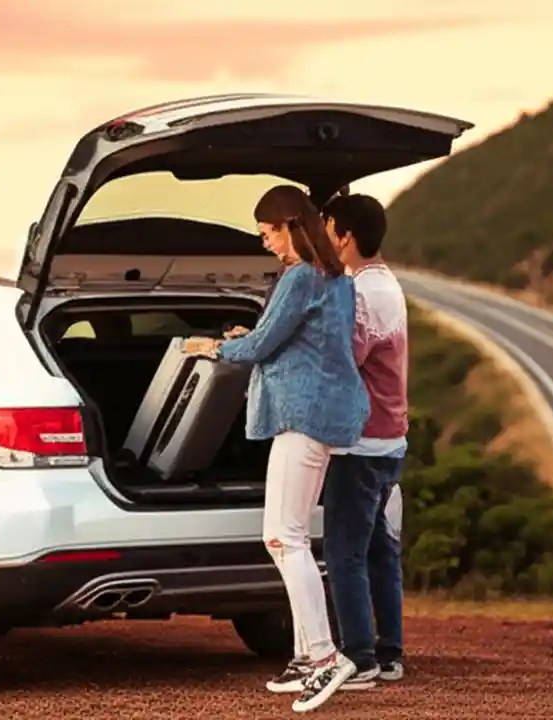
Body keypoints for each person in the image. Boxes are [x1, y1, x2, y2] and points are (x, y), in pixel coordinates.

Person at [185, 185, 367, 713]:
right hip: (325, 414)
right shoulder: (336, 279)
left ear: (289, 226)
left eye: (267, 233)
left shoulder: (300, 276)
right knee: (288, 537)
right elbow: (295, 337)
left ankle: (324, 658)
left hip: (302, 417)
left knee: (284, 538)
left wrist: (215, 346)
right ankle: (304, 656)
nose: (266, 243)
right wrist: (255, 333)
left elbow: (263, 347)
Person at [319, 192, 409, 689]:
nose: (325, 236)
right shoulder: (384, 285)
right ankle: (389, 654)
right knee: (379, 552)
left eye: (327, 226)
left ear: (344, 236)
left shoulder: (364, 294)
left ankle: (359, 658)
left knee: (344, 553)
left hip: (361, 445)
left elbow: (343, 358)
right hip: (390, 440)